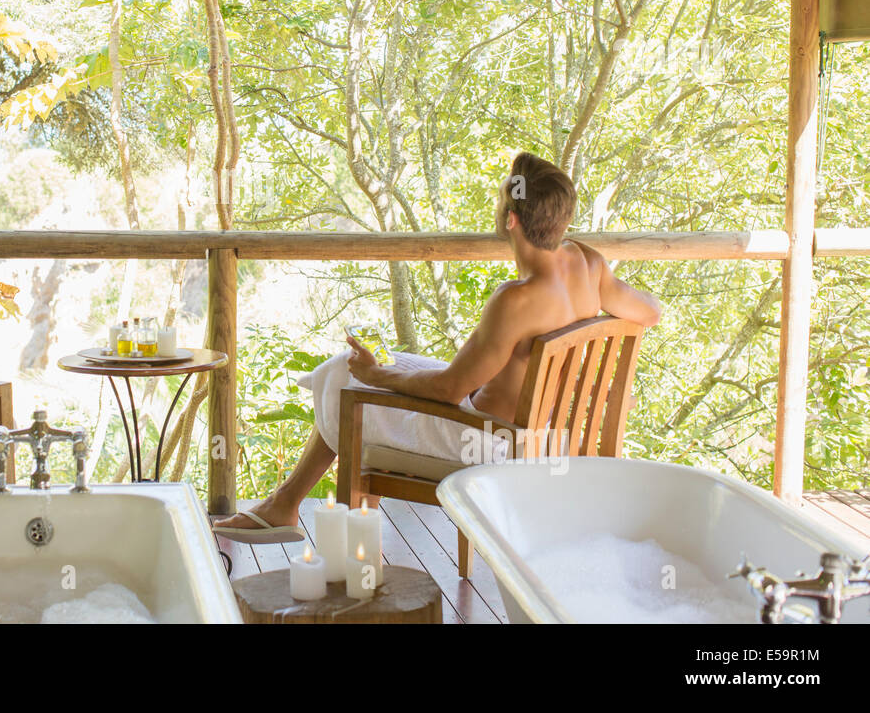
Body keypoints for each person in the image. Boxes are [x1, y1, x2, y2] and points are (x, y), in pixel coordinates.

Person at [213, 151, 661, 543]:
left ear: (511, 220)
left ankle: (290, 509)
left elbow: (449, 391)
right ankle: (284, 504)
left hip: (488, 441)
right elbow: (649, 312)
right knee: (346, 367)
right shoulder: (588, 263)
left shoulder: (516, 301)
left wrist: (375, 377)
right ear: (561, 220)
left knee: (351, 381)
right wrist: (581, 356)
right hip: (548, 436)